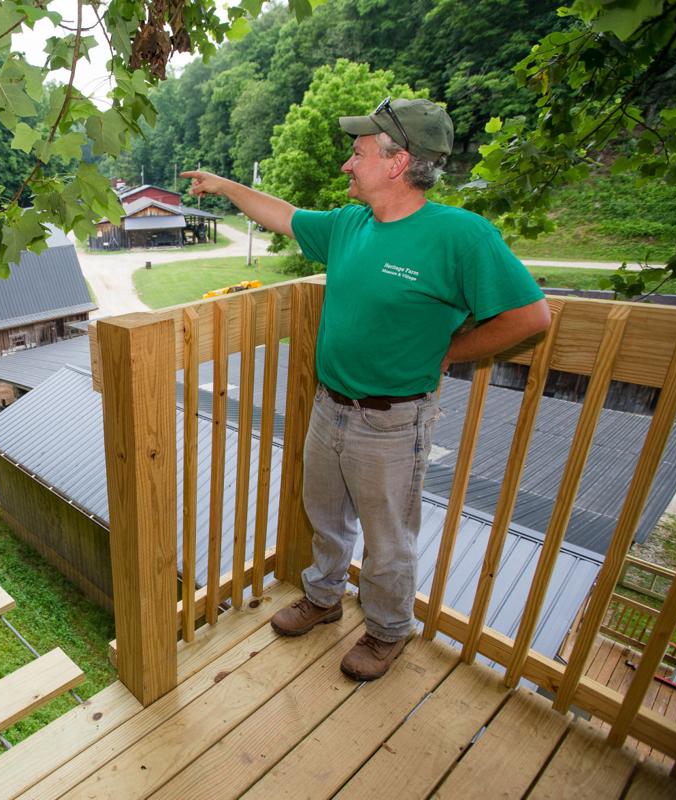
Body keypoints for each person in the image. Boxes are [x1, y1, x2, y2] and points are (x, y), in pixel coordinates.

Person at [182, 98, 550, 681]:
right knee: (324, 517)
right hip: (330, 406)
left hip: (393, 421)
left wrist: (445, 352)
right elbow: (283, 215)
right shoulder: (350, 225)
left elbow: (530, 319)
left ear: (398, 162)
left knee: (389, 541)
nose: (348, 166)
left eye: (358, 153)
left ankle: (385, 631)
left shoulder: (460, 236)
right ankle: (325, 600)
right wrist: (226, 185)